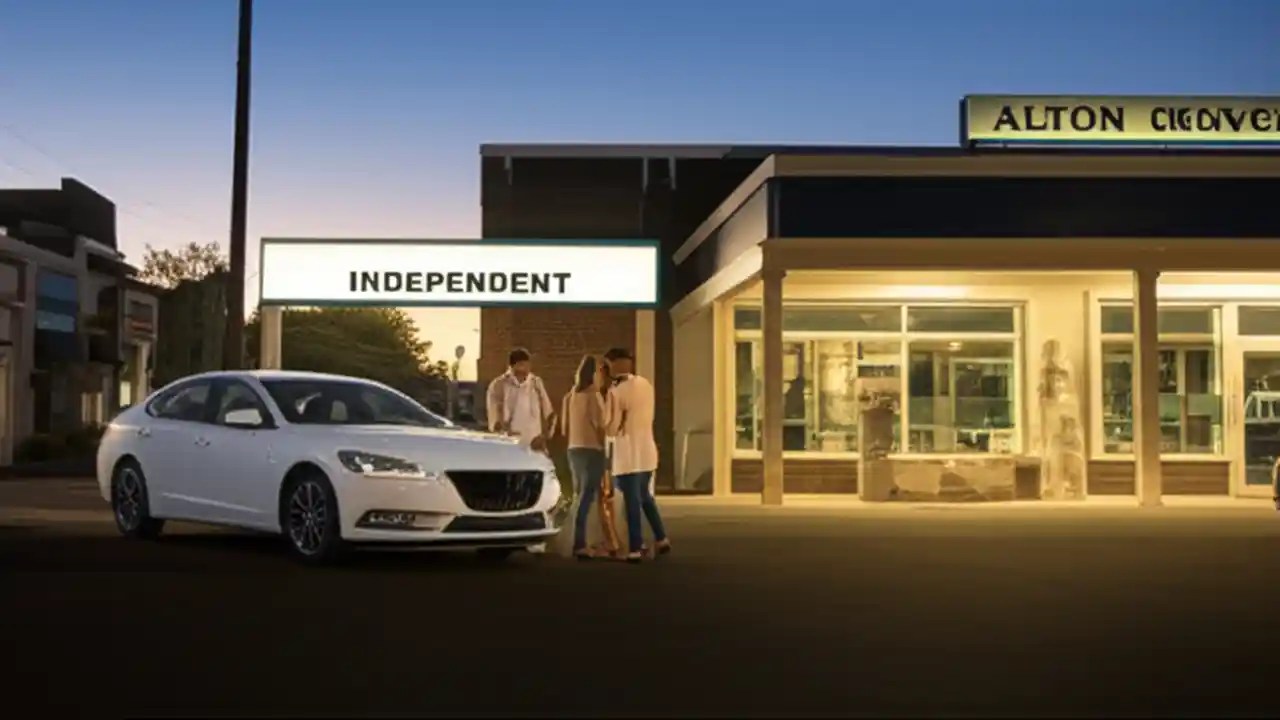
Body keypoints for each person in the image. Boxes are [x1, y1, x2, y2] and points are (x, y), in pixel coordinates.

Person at [601, 346, 671, 563]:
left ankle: (635, 546)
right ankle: (661, 538)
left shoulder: (615, 391)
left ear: (614, 364)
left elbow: (611, 427)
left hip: (627, 452)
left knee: (632, 500)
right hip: (647, 449)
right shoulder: (645, 384)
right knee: (645, 497)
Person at [558, 354, 622, 560]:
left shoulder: (570, 396)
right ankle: (581, 544)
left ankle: (592, 540)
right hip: (592, 450)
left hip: (573, 449)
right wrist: (607, 452)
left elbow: (563, 428)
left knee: (580, 496)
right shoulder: (593, 396)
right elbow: (601, 426)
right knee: (590, 497)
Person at [486, 347, 555, 452]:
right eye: (523, 365)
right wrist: (504, 435)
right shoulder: (499, 385)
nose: (527, 370)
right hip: (510, 446)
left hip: (534, 446)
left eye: (528, 365)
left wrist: (544, 437)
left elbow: (550, 415)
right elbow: (495, 419)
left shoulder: (536, 383)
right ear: (513, 366)